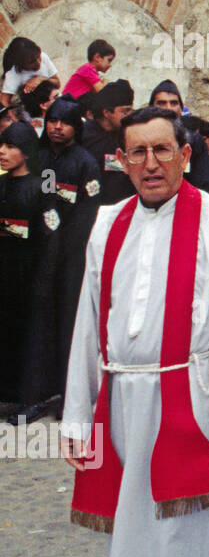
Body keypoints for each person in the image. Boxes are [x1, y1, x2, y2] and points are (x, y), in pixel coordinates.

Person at [59, 106, 209, 557]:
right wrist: (78, 415)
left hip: (194, 401)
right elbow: (90, 322)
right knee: (132, 538)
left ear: (186, 156)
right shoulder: (108, 223)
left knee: (188, 541)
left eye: (162, 150)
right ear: (121, 160)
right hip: (123, 402)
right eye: (138, 151)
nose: (150, 163)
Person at [22, 97, 102, 421]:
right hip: (38, 257)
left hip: (71, 259)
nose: (57, 127)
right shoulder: (36, 159)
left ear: (75, 126)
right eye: (52, 120)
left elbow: (88, 212)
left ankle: (70, 397)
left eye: (65, 122)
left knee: (70, 325)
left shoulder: (87, 164)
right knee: (37, 325)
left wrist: (68, 249)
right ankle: (34, 395)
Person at [0, 121, 46, 417]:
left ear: (27, 152)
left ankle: (27, 399)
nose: (2, 151)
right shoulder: (2, 183)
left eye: (11, 146)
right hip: (4, 271)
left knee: (24, 335)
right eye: (2, 145)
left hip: (27, 274)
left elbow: (43, 232)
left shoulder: (40, 186)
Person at [148, 80, 209, 193]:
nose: (168, 108)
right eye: (161, 103)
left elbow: (203, 183)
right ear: (151, 107)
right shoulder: (141, 137)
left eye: (173, 103)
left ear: (180, 108)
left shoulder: (193, 141)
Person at [1, 37, 61, 108]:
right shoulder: (13, 74)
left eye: (38, 57)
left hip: (56, 101)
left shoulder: (43, 57)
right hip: (35, 111)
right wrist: (15, 118)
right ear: (21, 64)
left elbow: (57, 83)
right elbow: (4, 101)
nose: (38, 63)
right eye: (32, 62)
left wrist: (41, 79)